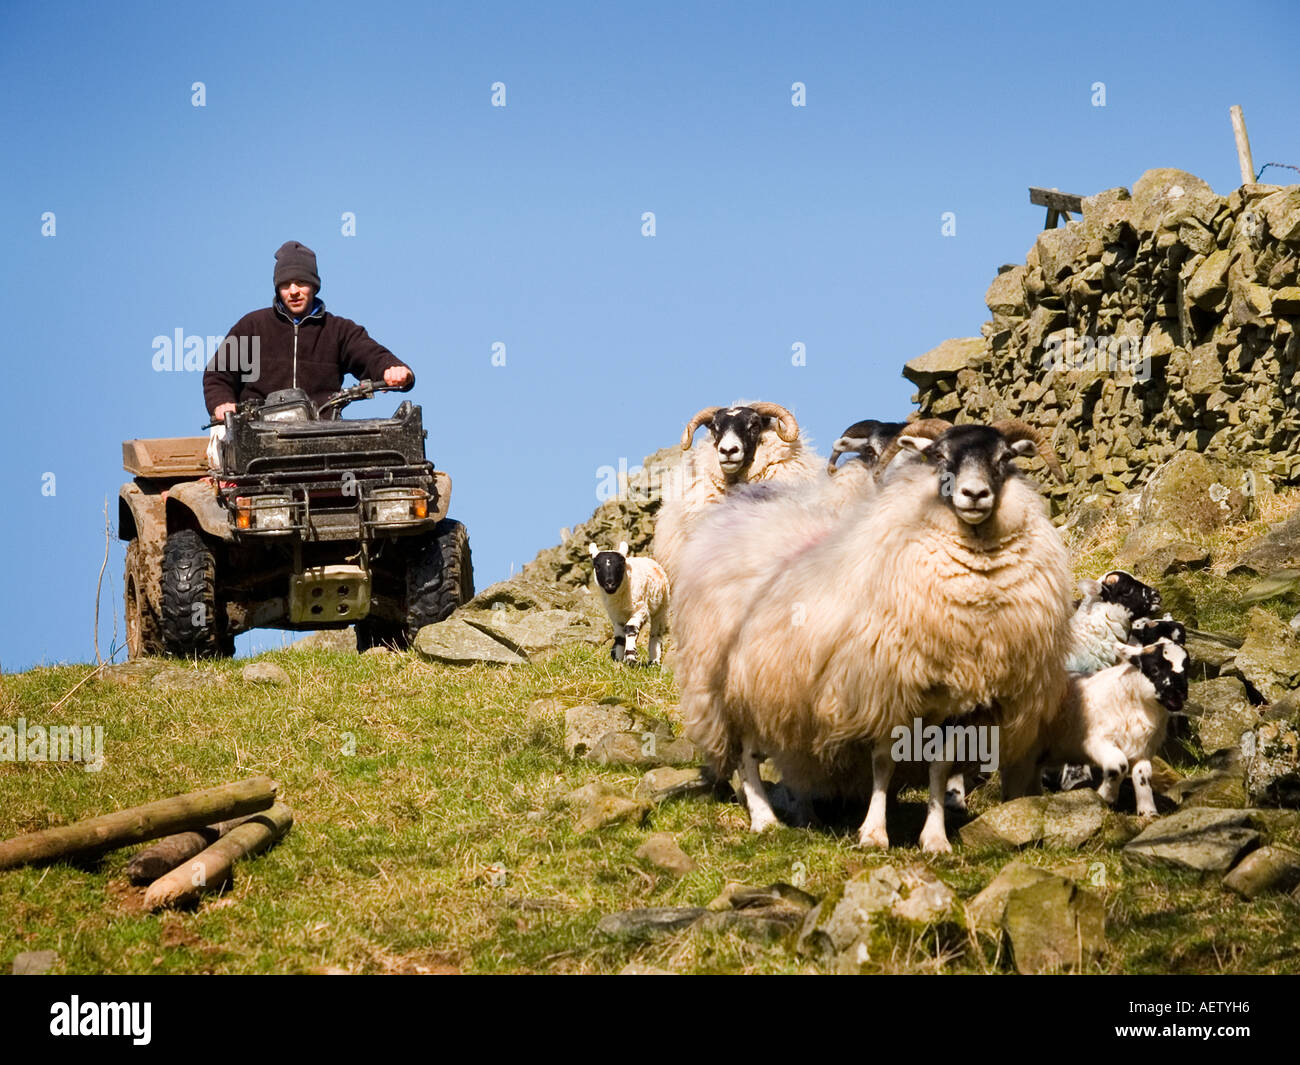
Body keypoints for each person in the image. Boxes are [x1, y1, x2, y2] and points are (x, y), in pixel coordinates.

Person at [203, 240, 413, 421]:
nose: (293, 291)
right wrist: (222, 403)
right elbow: (218, 373)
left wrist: (393, 369)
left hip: (322, 434)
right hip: (257, 433)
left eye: (301, 282)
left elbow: (372, 356)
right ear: (278, 289)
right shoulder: (252, 326)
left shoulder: (338, 330)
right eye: (286, 285)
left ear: (314, 286)